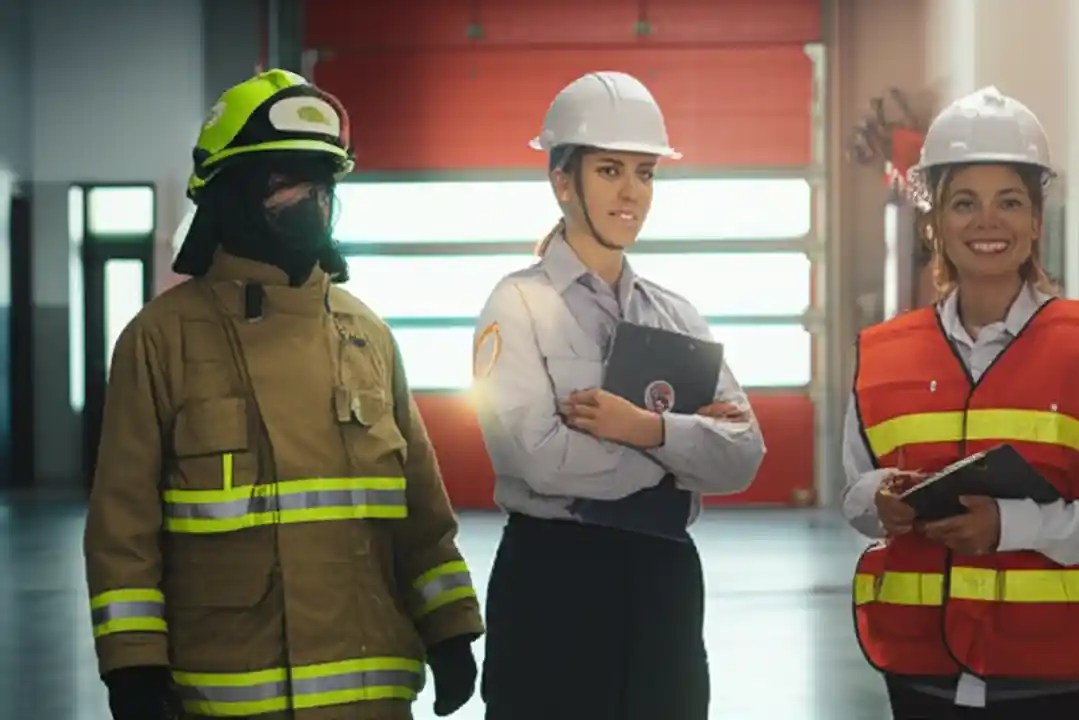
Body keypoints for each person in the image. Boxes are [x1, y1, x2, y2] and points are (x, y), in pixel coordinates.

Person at [82, 69, 485, 720]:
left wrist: (451, 627)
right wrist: (132, 664)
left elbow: (423, 517)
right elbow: (122, 531)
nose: (312, 199)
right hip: (228, 695)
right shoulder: (158, 340)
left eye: (324, 181)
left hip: (372, 696)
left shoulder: (366, 335)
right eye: (285, 179)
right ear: (229, 194)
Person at [841, 86, 1079, 719]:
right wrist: (878, 500)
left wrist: (1011, 527)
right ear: (934, 224)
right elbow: (854, 491)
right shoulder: (883, 353)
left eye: (1010, 202)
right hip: (920, 673)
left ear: (1037, 221)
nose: (988, 221)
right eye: (965, 203)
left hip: (1051, 677)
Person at [470, 70, 766, 720]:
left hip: (664, 582)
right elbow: (537, 459)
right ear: (562, 181)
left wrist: (644, 430)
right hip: (553, 579)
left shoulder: (677, 316)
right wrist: (682, 456)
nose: (631, 193)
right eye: (609, 171)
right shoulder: (516, 305)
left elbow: (744, 455)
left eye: (646, 173)